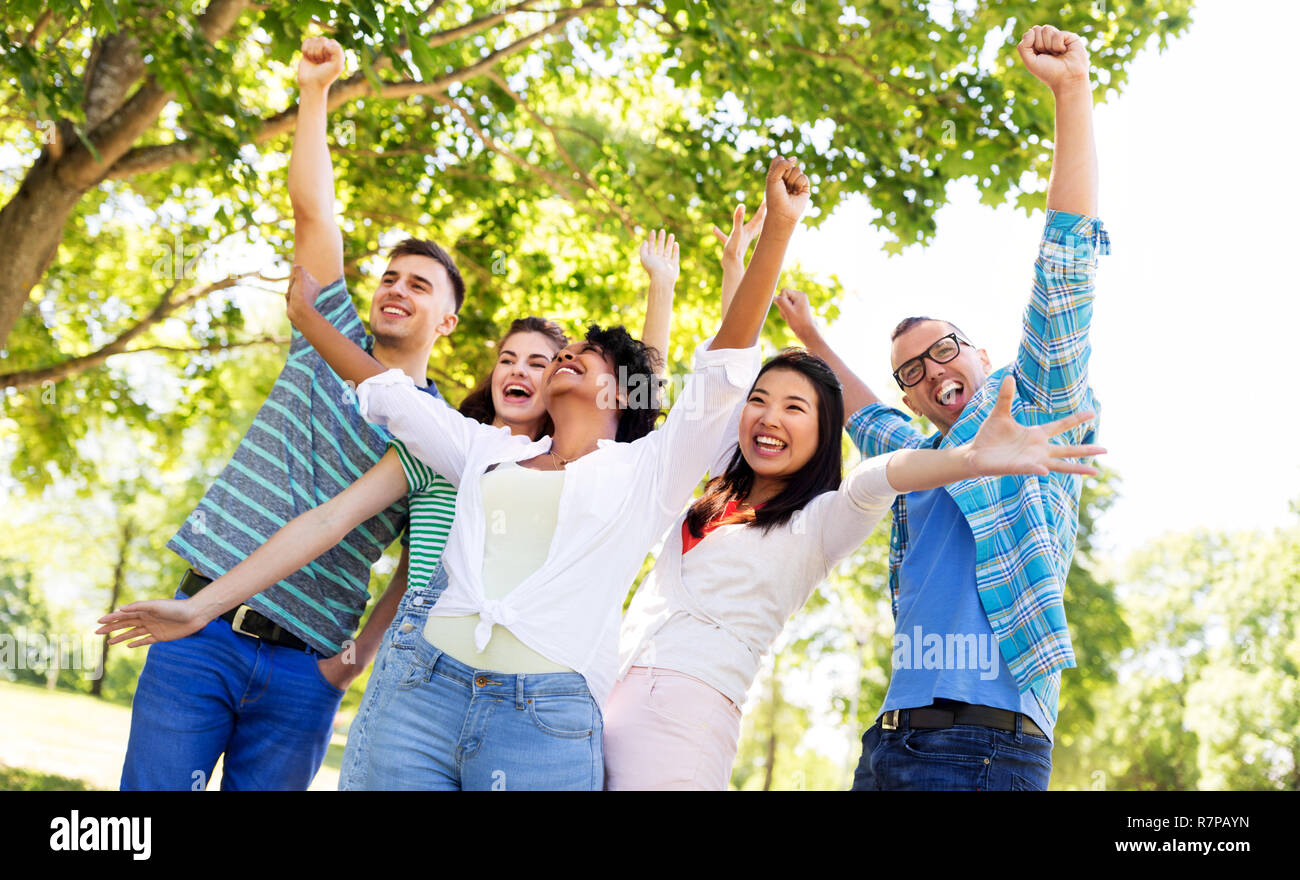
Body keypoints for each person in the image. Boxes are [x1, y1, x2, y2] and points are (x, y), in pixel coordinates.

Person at [96, 138, 778, 791]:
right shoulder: (485, 447)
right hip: (423, 686)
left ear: (616, 391)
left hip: (541, 714)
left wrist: (773, 232)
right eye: (521, 357)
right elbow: (388, 398)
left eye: (579, 355)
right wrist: (313, 325)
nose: (562, 358)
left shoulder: (642, 470)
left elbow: (707, 374)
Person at [103, 36, 466, 791]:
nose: (396, 288)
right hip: (200, 630)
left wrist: (352, 660)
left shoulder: (440, 433)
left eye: (420, 285)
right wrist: (313, 94)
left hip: (307, 669)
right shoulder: (322, 331)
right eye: (390, 277)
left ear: (449, 322)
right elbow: (312, 211)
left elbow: (414, 565)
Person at [778, 24, 1109, 790]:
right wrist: (811, 334)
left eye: (945, 349)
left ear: (983, 355)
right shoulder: (919, 461)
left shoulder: (1036, 412)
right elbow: (865, 415)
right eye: (912, 372)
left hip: (988, 748)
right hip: (889, 745)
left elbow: (1065, 279)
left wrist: (1071, 91)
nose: (932, 371)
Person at [337, 230, 682, 789]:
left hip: (533, 680)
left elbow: (636, 394)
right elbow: (393, 566)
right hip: (422, 662)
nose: (523, 371)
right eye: (507, 358)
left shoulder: (600, 473)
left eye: (542, 361)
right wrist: (355, 656)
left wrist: (660, 291)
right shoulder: (457, 443)